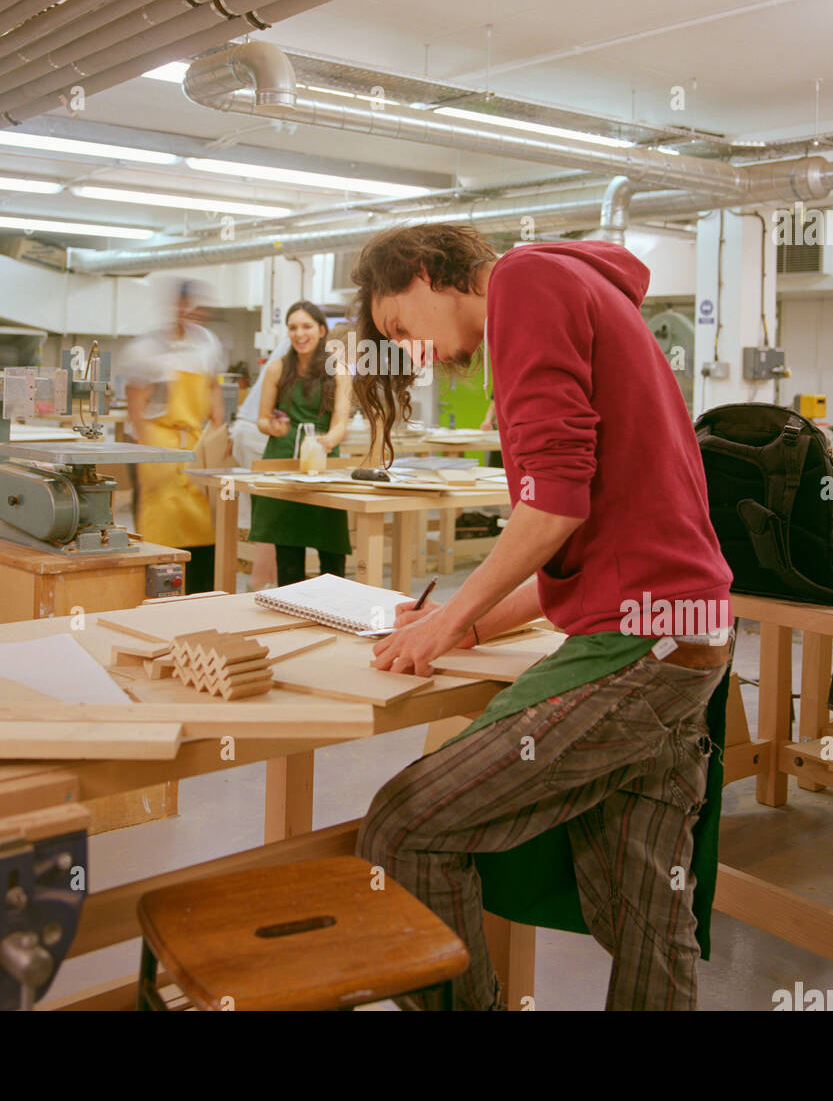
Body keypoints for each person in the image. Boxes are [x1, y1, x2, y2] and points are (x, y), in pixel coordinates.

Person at [348, 223, 733, 1011]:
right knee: (644, 913)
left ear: (424, 273)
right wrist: (475, 624)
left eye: (399, 326)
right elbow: (579, 539)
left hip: (638, 647)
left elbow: (552, 504)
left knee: (405, 827)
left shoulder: (524, 282)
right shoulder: (580, 287)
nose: (412, 351)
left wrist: (447, 620)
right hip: (686, 637)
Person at [121, 278, 225, 593]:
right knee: (161, 527)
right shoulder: (147, 349)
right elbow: (136, 406)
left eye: (195, 307)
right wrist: (148, 454)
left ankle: (200, 595)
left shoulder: (207, 344)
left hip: (195, 446)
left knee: (202, 525)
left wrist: (219, 435)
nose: (189, 312)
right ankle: (156, 595)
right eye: (183, 306)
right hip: (158, 446)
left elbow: (213, 391)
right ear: (173, 306)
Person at [248, 301, 352, 586]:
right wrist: (273, 426)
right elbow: (261, 419)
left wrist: (326, 442)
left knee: (332, 550)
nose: (299, 333)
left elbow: (341, 423)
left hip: (323, 461)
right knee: (288, 553)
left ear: (321, 330)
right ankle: (290, 614)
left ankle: (334, 613)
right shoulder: (277, 369)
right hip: (283, 460)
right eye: (293, 327)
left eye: (306, 326)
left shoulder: (338, 371)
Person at [230, 336, 289, 590]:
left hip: (249, 428)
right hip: (257, 433)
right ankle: (259, 584)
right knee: (271, 515)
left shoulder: (297, 346)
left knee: (265, 514)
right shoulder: (310, 351)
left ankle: (269, 584)